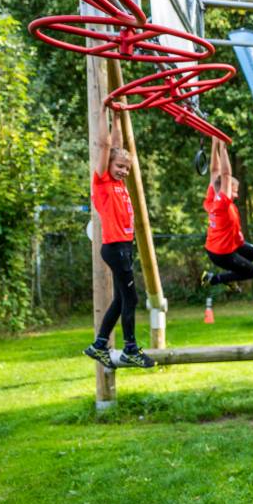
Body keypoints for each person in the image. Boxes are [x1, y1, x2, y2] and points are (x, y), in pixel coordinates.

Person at [83, 110, 155, 369]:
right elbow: (105, 145)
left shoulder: (119, 183)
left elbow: (117, 145)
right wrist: (102, 111)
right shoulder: (102, 181)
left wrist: (118, 115)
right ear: (108, 166)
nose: (124, 171)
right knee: (132, 299)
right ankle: (130, 350)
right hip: (115, 248)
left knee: (120, 299)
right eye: (120, 166)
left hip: (122, 247)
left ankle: (99, 345)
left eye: (127, 168)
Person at [200, 138, 253, 288]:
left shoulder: (213, 197)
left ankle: (230, 276)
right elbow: (226, 174)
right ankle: (214, 279)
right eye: (235, 191)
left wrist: (214, 142)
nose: (237, 195)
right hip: (222, 254)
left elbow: (215, 171)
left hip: (221, 246)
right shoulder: (222, 204)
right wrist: (223, 147)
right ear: (225, 190)